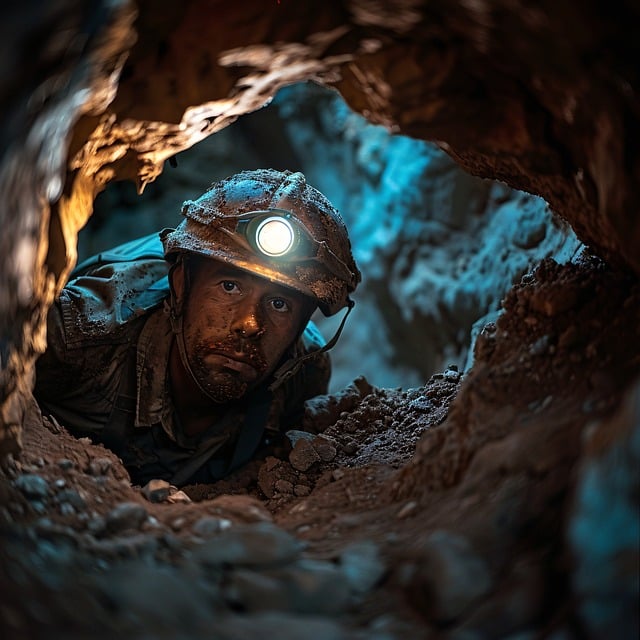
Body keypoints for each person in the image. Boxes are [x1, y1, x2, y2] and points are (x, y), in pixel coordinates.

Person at [34, 169, 360, 487]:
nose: (249, 324)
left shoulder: (303, 377)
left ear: (302, 325)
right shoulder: (82, 334)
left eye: (280, 304)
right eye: (229, 286)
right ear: (180, 285)